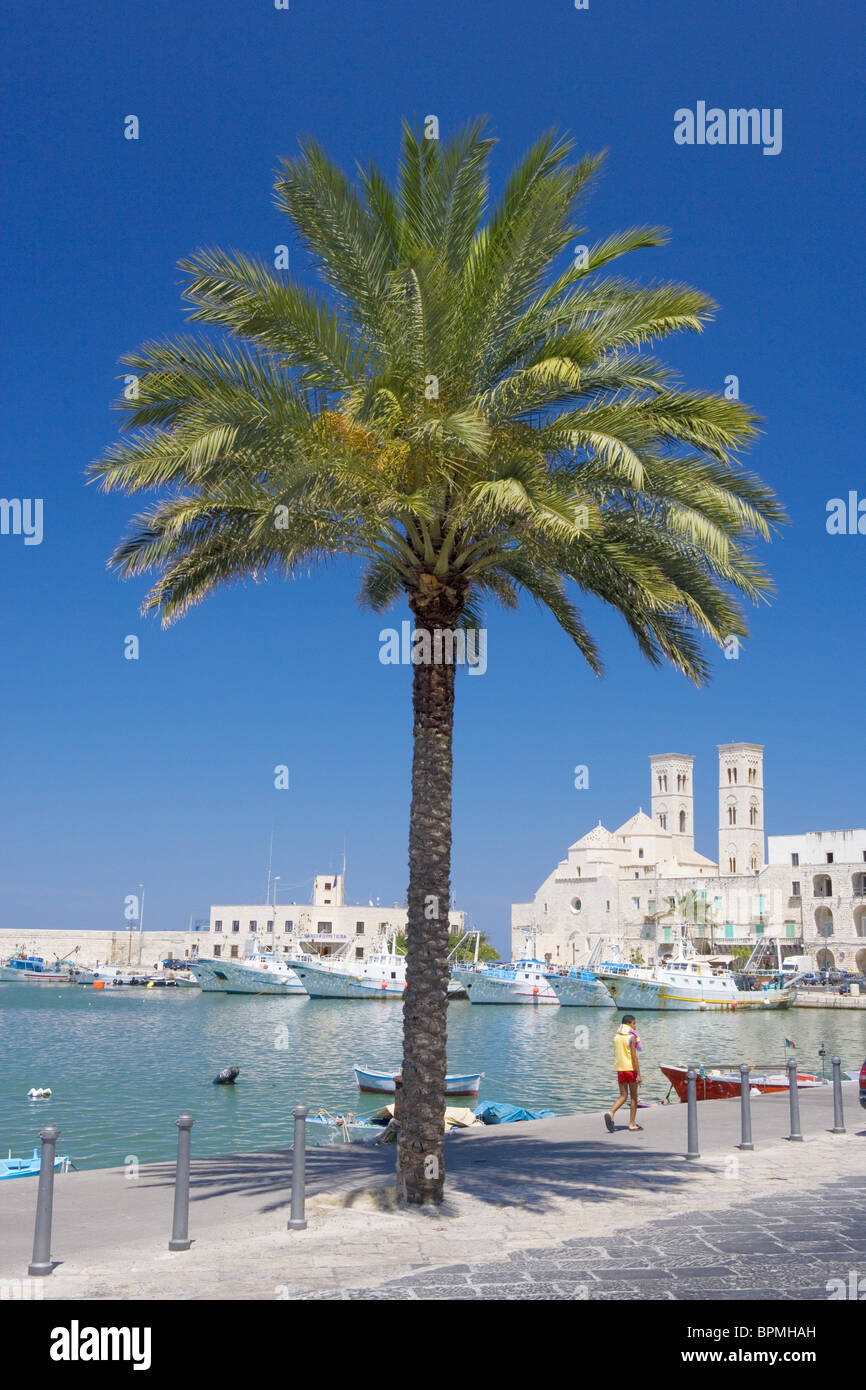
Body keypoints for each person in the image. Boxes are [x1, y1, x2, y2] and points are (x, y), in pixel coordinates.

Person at [604, 1013, 643, 1132]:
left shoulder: (617, 1036)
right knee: (634, 1097)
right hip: (630, 1069)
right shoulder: (632, 1037)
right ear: (629, 1024)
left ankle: (611, 1113)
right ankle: (631, 1124)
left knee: (623, 1095)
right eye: (634, 1023)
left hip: (620, 1069)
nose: (635, 1026)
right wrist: (639, 1074)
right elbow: (634, 1057)